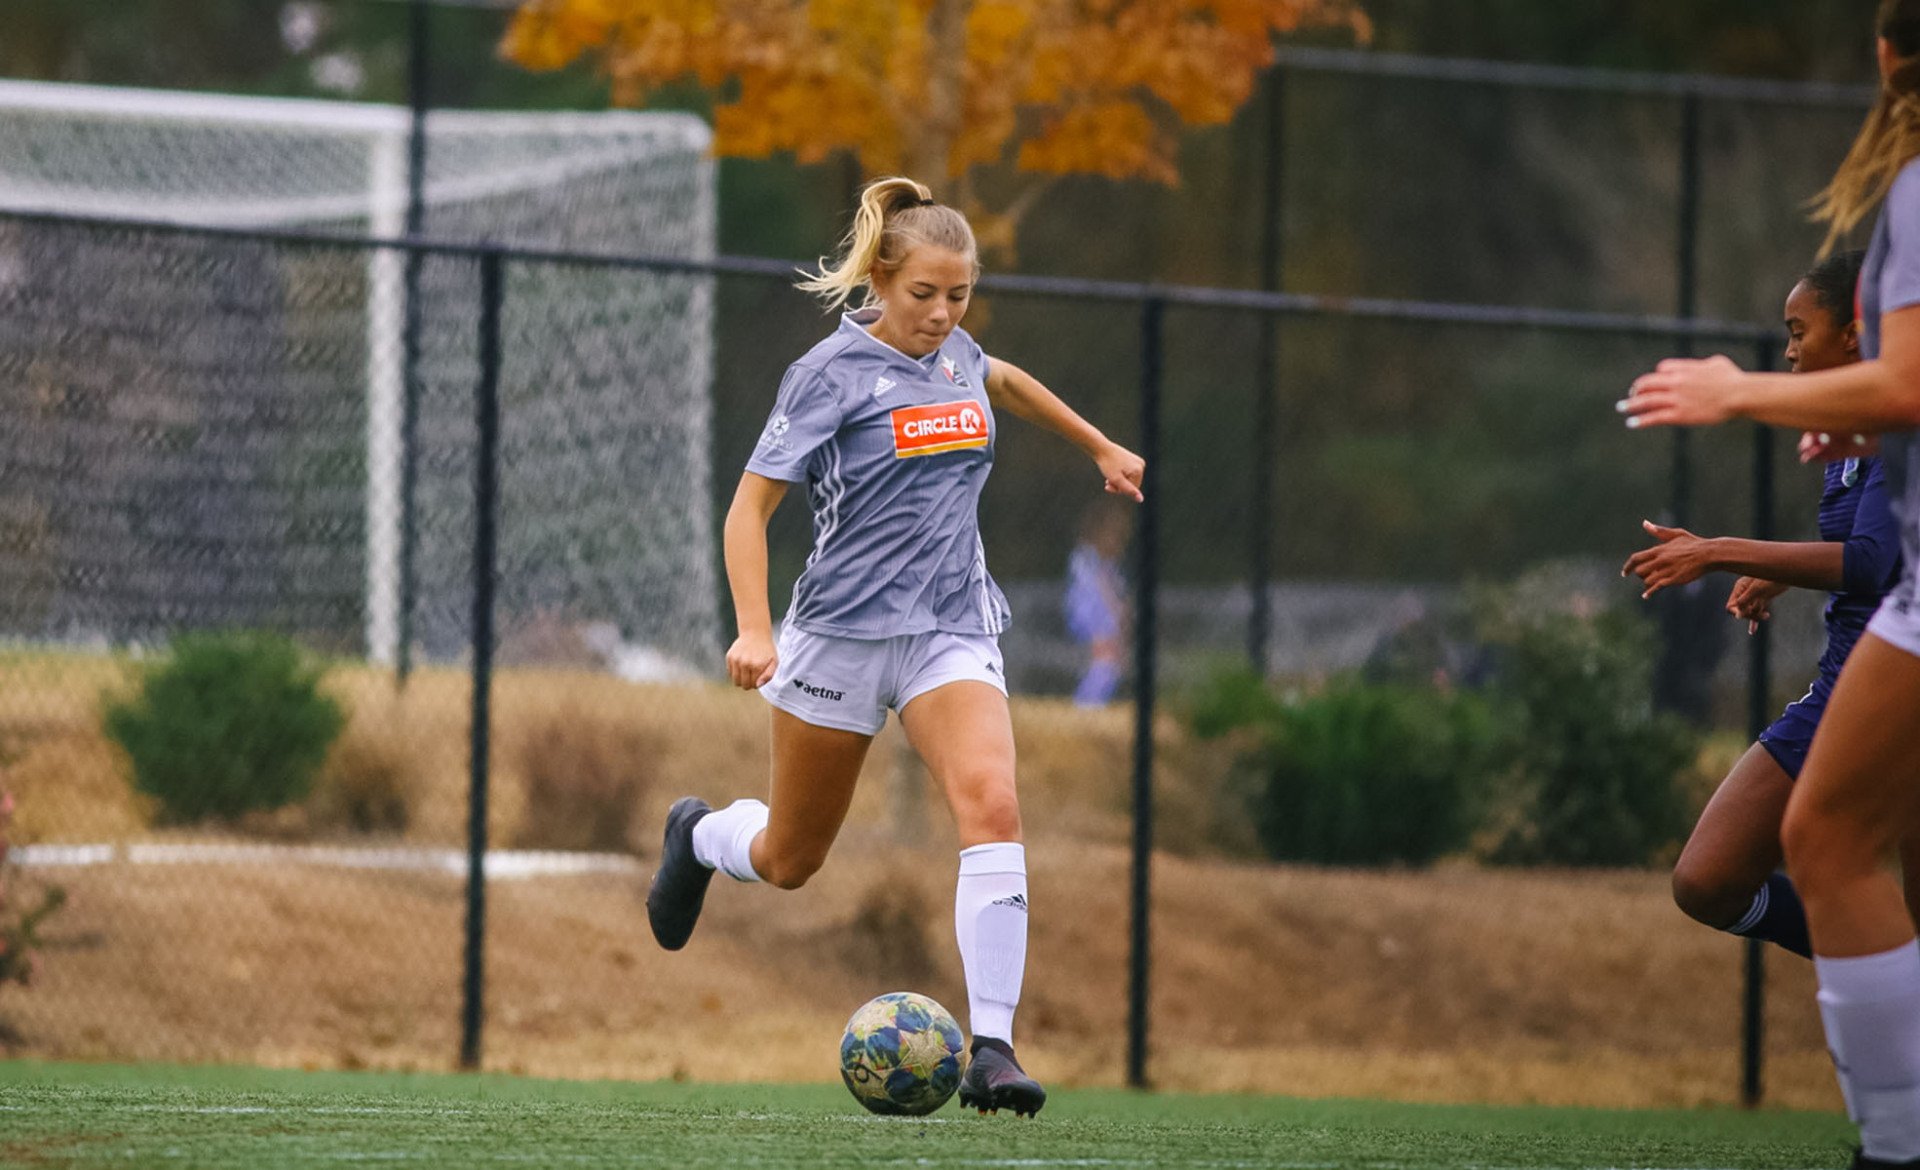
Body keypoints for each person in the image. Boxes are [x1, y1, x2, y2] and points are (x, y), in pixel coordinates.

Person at [645, 176, 1146, 1119]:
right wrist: (756, 627)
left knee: (993, 803)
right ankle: (701, 836)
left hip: (949, 628)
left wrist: (1099, 447)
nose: (943, 315)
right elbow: (749, 509)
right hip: (836, 636)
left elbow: (1003, 379)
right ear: (882, 277)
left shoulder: (959, 353)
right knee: (791, 857)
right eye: (924, 295)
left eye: (959, 296)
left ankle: (993, 1048)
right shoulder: (828, 374)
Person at [1621, 4, 1920, 1162]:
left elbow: (1904, 395)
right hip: (1874, 638)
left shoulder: (1906, 199)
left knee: (1831, 841)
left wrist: (1741, 396)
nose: (1788, 348)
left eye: (1800, 336)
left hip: (1891, 630)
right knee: (1810, 858)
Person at [1623, 251, 1897, 962]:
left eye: (1799, 329)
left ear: (1853, 332)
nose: (1789, 349)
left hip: (1886, 688)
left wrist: (1721, 551)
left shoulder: (1896, 421)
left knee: (1799, 865)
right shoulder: (1852, 434)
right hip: (1845, 678)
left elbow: (1873, 561)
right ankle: (1891, 972)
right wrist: (1785, 569)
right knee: (1708, 881)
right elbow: (1876, 546)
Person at [1064, 501, 1130, 707]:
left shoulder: (1109, 565)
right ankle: (1085, 707)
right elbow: (1088, 595)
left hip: (1105, 620)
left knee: (1112, 664)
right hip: (1091, 618)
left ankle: (1092, 705)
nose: (1118, 543)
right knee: (1105, 661)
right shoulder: (1084, 559)